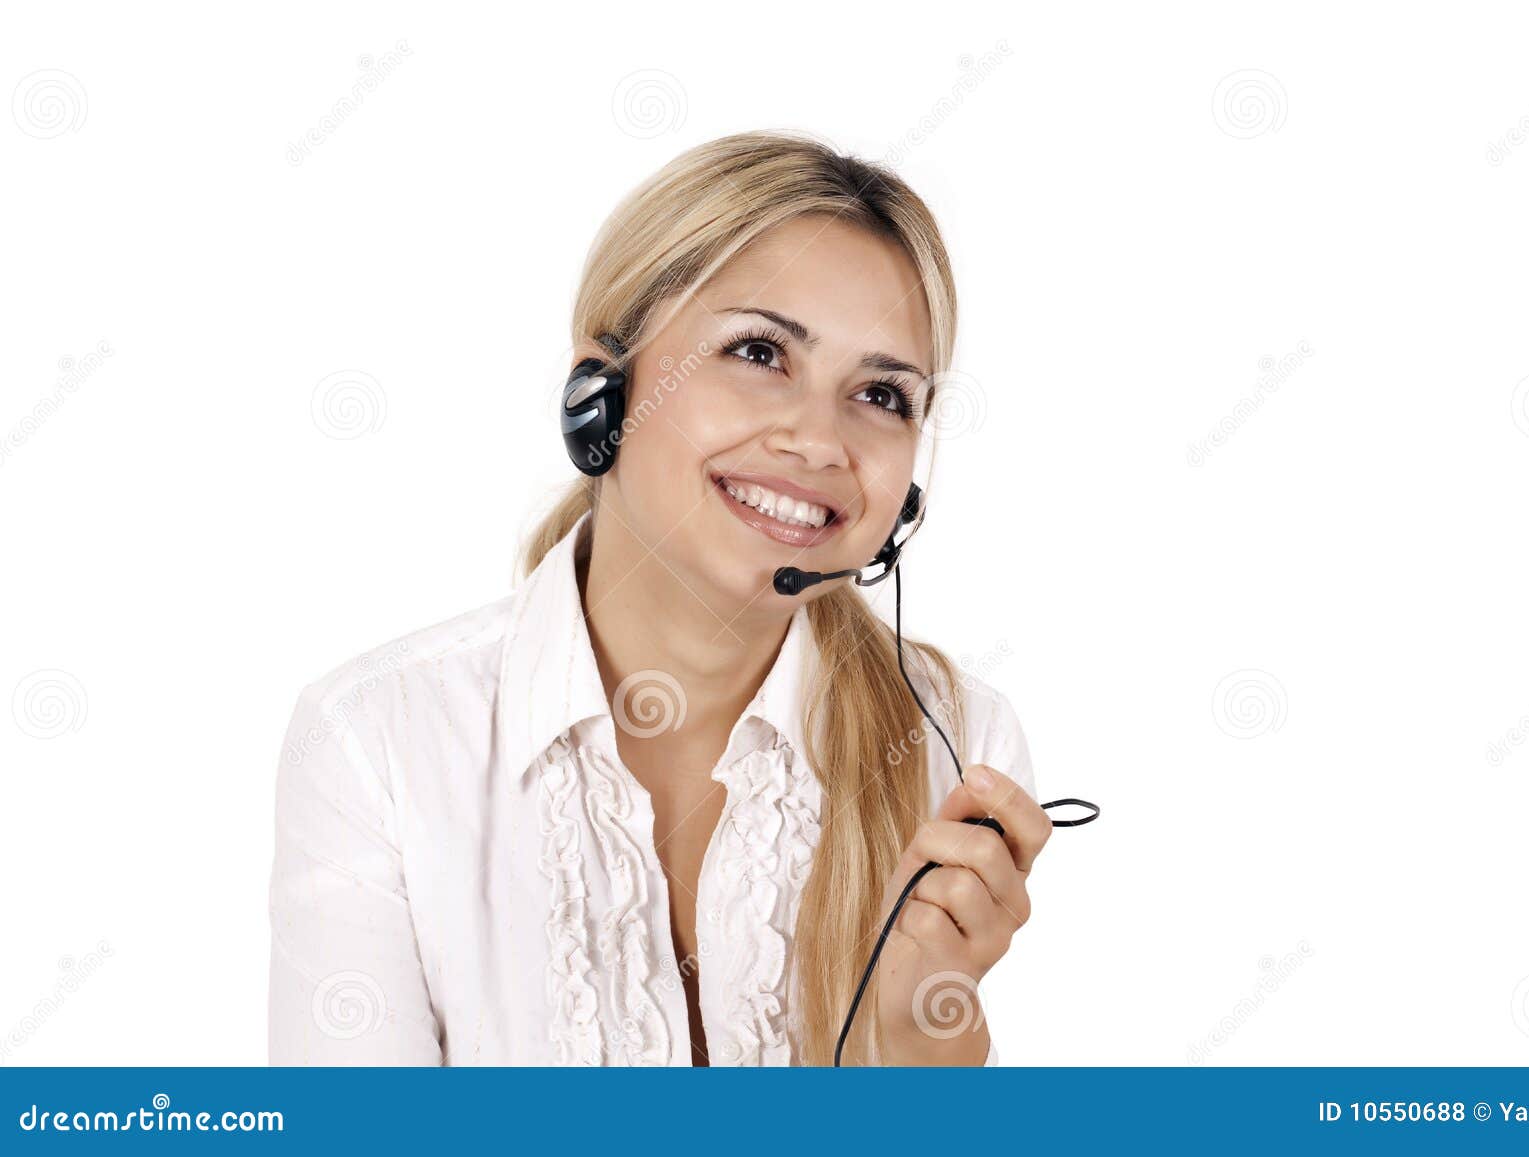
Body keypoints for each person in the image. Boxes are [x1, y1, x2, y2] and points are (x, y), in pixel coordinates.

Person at [268, 129, 1052, 1067]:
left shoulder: (958, 753)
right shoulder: (380, 739)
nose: (817, 439)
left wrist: (916, 1043)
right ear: (601, 388)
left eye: (882, 395)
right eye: (759, 351)